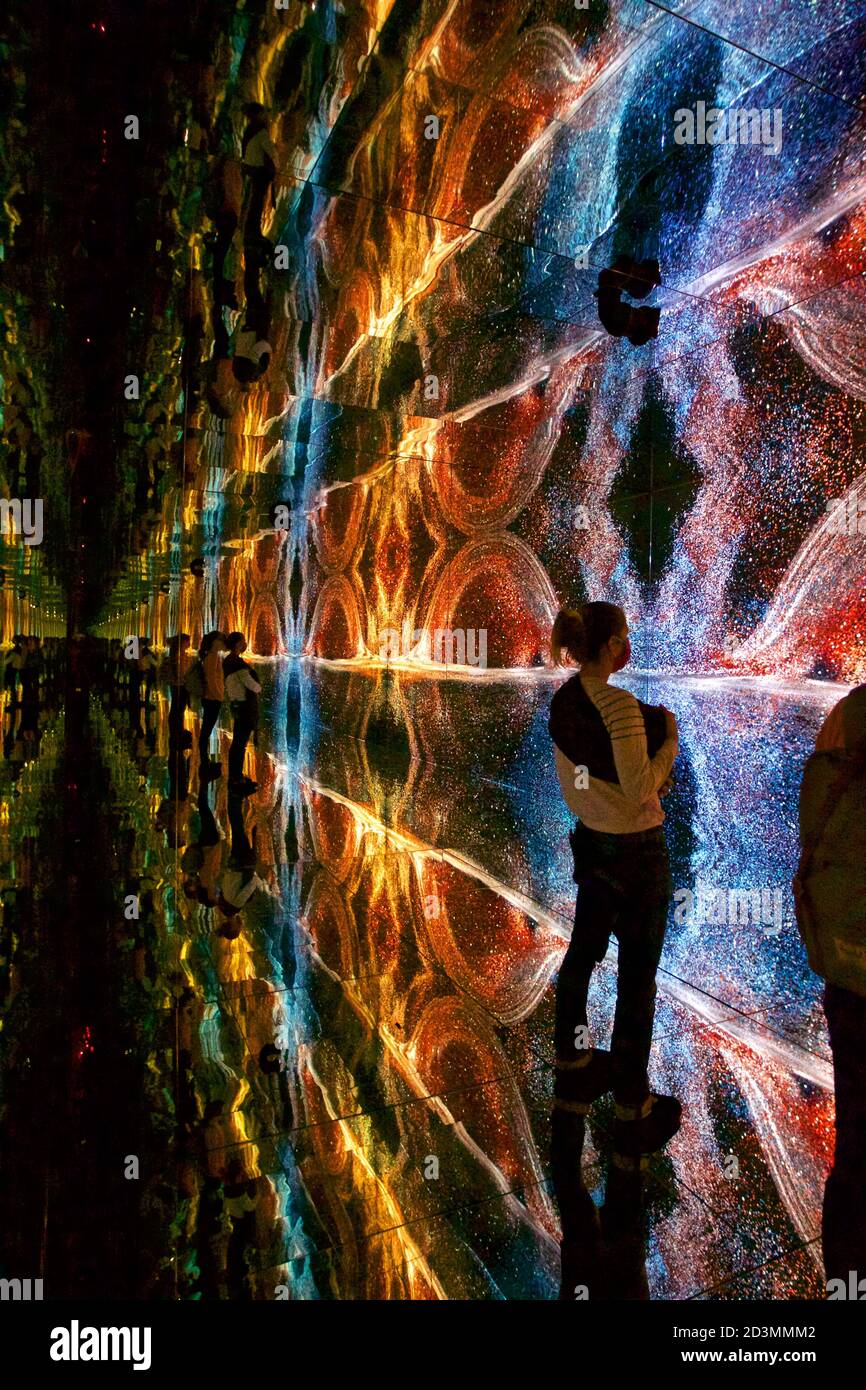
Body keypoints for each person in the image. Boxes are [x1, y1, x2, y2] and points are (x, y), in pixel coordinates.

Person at [547, 602, 681, 1158]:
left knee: (582, 956)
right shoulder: (621, 707)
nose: (628, 643)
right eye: (623, 636)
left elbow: (591, 781)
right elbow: (637, 786)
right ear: (607, 648)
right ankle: (633, 1106)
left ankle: (574, 1060)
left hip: (594, 844)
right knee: (636, 980)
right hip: (638, 856)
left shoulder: (564, 703)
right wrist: (668, 740)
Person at [794, 683, 866, 1286]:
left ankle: (847, 1280)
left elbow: (811, 823)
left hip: (847, 970)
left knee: (855, 1146)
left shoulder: (840, 726)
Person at [222, 632, 261, 793]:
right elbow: (254, 686)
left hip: (236, 704)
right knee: (239, 744)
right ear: (238, 644)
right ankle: (236, 780)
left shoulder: (228, 661)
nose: (246, 643)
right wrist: (259, 685)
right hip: (245, 707)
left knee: (238, 743)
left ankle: (236, 776)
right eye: (244, 641)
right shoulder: (237, 664)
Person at [595, 255, 661, 346]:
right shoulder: (615, 323)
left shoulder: (615, 321)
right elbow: (607, 277)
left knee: (641, 292)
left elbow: (607, 277)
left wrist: (630, 268)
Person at [198, 631, 227, 777]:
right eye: (221, 640)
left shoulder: (211, 655)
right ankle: (204, 762)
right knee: (207, 728)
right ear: (214, 642)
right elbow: (211, 679)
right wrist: (219, 696)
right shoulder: (212, 656)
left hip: (210, 697)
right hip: (212, 698)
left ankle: (204, 760)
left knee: (207, 727)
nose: (223, 643)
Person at [164, 633, 192, 747]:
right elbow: (180, 671)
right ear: (182, 643)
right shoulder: (178, 655)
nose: (189, 643)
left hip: (178, 684)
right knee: (178, 708)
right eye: (187, 641)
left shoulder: (176, 654)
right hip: (180, 684)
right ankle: (177, 734)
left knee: (177, 708)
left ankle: (176, 732)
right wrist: (185, 680)